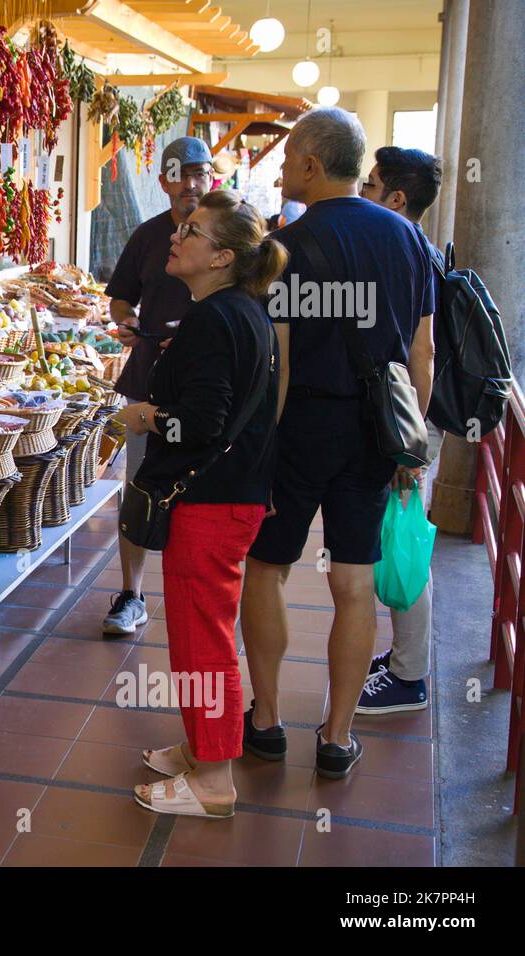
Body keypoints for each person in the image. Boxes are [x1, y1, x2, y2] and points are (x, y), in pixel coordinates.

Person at [240, 108, 437, 779]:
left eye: (291, 156)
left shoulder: (285, 244)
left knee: (268, 568)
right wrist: (409, 446)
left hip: (299, 428)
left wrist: (261, 447)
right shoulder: (409, 240)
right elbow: (421, 352)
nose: (284, 167)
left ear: (313, 165)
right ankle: (336, 737)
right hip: (375, 431)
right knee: (354, 583)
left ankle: (265, 722)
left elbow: (282, 361)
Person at [118, 190, 285, 818]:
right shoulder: (237, 311)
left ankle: (214, 779)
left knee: (202, 636)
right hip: (226, 496)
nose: (175, 237)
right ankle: (202, 747)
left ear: (220, 257)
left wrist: (146, 416)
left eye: (190, 231)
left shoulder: (220, 319)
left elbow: (202, 425)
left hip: (212, 501)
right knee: (196, 632)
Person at [101, 136, 214, 639]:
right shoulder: (148, 236)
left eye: (200, 172)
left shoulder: (230, 233)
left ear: (213, 177)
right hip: (149, 383)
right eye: (180, 173)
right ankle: (132, 594)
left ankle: (204, 600)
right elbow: (121, 299)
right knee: (140, 488)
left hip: (212, 388)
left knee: (207, 491)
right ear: (164, 180)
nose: (191, 183)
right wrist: (127, 321)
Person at [357, 146, 444, 714]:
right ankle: (400, 658)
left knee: (406, 541)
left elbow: (425, 352)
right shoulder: (409, 249)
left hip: (411, 420)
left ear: (396, 199)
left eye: (371, 183)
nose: (362, 191)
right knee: (396, 534)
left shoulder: (411, 252)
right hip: (408, 418)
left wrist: (409, 448)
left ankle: (410, 675)